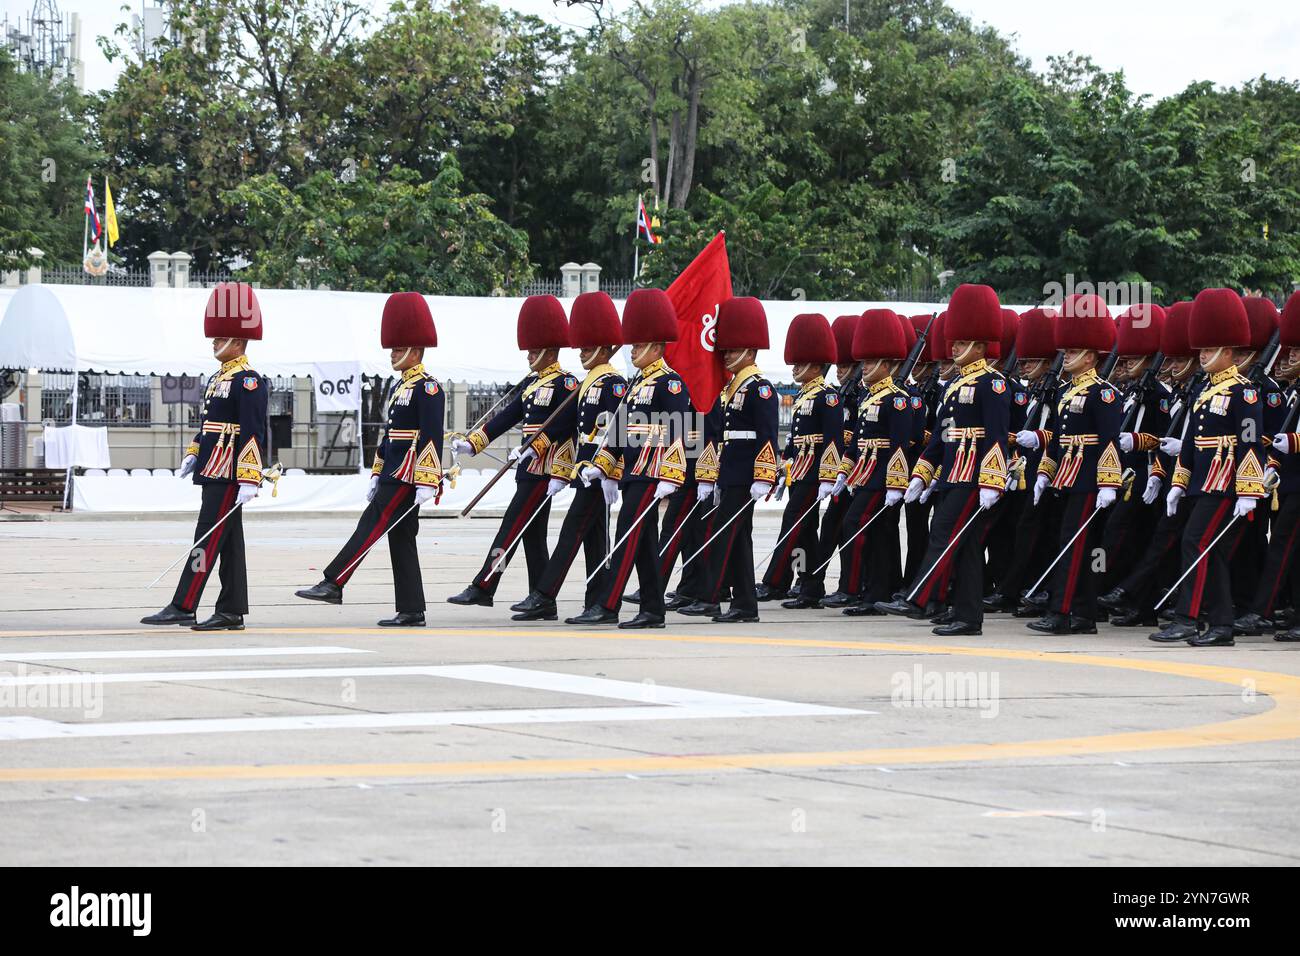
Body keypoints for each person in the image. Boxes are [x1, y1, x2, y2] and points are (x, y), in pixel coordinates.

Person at [294, 293, 443, 624]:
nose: (392, 353)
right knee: (400, 538)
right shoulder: (399, 387)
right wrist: (377, 470)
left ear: (416, 351)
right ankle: (411, 609)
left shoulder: (428, 389)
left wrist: (428, 480)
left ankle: (334, 581)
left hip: (408, 474)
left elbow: (431, 436)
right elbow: (390, 433)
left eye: (399, 347)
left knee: (372, 523)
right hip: (393, 469)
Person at [876, 284, 1010, 636]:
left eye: (963, 342)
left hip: (974, 477)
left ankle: (919, 598)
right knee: (965, 547)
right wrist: (922, 473)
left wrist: (991, 481)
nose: (954, 348)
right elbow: (942, 437)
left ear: (980, 345)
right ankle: (967, 615)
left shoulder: (992, 384)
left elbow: (996, 436)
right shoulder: (954, 385)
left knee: (943, 534)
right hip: (953, 474)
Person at [142, 282, 269, 632]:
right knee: (230, 544)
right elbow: (210, 424)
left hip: (229, 472)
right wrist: (195, 452)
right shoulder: (219, 378)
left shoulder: (249, 382)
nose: (214, 342)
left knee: (206, 537)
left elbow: (253, 432)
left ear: (239, 342)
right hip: (213, 467)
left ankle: (184, 604)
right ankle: (231, 610)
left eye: (221, 337)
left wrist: (249, 476)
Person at [1150, 290, 1268, 647]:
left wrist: (1249, 490)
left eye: (1208, 350)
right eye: (1201, 350)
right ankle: (1221, 625)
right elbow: (1191, 441)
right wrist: (1178, 483)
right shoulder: (1204, 388)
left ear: (1228, 352)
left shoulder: (1243, 392)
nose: (1201, 356)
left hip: (1226, 482)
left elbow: (1250, 442)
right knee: (1210, 550)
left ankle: (1188, 618)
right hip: (1203, 481)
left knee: (1196, 542)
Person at [567, 288, 691, 628]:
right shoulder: (637, 383)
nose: (633, 349)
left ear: (656, 345)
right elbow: (619, 431)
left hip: (653, 474)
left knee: (626, 537)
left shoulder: (671, 384)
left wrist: (671, 476)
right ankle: (653, 609)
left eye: (638, 344)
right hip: (634, 472)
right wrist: (600, 466)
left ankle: (608, 605)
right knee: (647, 544)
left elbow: (681, 432)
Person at [447, 296, 577, 608]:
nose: (529, 355)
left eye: (534, 350)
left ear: (550, 350)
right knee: (533, 537)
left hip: (544, 470)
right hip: (527, 468)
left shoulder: (567, 384)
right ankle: (542, 599)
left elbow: (563, 425)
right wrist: (473, 442)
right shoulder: (532, 384)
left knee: (511, 528)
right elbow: (506, 417)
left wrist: (535, 447)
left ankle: (484, 585)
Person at [511, 292, 627, 621]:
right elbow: (568, 428)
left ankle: (545, 594)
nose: (582, 353)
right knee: (594, 541)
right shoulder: (590, 381)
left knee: (571, 532)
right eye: (581, 347)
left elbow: (615, 431)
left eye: (589, 348)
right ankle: (599, 603)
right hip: (583, 470)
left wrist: (609, 472)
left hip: (598, 473)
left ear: (605, 348)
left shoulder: (613, 383)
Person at [678, 297, 780, 623]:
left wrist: (763, 475)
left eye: (733, 351)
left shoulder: (759, 388)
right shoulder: (730, 389)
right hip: (729, 471)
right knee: (738, 540)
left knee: (724, 536)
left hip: (744, 474)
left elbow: (767, 436)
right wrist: (711, 474)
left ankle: (711, 598)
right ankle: (744, 605)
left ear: (750, 351)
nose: (727, 355)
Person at [1026, 295, 1123, 635]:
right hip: (1067, 478)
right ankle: (1083, 614)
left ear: (1091, 355)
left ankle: (1063, 611)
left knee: (1075, 545)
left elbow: (1110, 441)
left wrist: (1109, 482)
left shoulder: (1104, 393)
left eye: (1073, 351)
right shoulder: (1067, 392)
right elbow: (1057, 437)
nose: (1066, 356)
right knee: (1075, 545)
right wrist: (1044, 472)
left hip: (1088, 481)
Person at [757, 313, 842, 603]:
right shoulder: (804, 395)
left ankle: (776, 581)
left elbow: (833, 441)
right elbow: (794, 439)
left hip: (816, 473)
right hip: (799, 471)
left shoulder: (827, 396)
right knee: (804, 532)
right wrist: (784, 465)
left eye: (800, 363)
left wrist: (828, 477)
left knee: (793, 523)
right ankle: (810, 584)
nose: (794, 368)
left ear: (816, 365)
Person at [835, 309, 912, 615]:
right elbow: (856, 442)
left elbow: (900, 447)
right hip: (864, 476)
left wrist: (895, 483)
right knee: (877, 535)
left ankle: (860, 591)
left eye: (869, 361)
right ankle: (874, 592)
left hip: (881, 479)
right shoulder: (869, 398)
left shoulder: (898, 399)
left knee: (854, 526)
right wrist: (844, 471)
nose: (864, 367)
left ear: (887, 363)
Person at [985, 307, 1061, 614]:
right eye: (1023, 359)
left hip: (1050, 471)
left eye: (1031, 360)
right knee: (1019, 531)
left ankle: (1020, 589)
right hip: (1024, 471)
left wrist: (1038, 438)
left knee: (1038, 533)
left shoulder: (1056, 391)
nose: (1025, 365)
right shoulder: (1032, 390)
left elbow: (1061, 432)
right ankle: (1015, 587)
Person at [1095, 304, 1170, 598]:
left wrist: (1138, 441)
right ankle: (1130, 599)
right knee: (1128, 536)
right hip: (1123, 473)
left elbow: (1164, 437)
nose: (1126, 365)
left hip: (1142, 474)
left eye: (1134, 358)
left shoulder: (1159, 395)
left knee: (1117, 533)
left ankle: (1101, 586)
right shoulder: (1130, 391)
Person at [792, 314, 861, 608]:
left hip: (852, 472)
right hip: (832, 472)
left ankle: (847, 584)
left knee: (844, 528)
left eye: (848, 366)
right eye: (840, 366)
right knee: (822, 528)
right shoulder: (836, 394)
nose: (842, 372)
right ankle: (807, 580)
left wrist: (832, 473)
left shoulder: (861, 395)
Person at [1256, 291, 1300, 642]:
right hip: (1290, 479)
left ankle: (1264, 609)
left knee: (1284, 544)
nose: (1292, 358)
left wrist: (1294, 444)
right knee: (1288, 547)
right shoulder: (1295, 389)